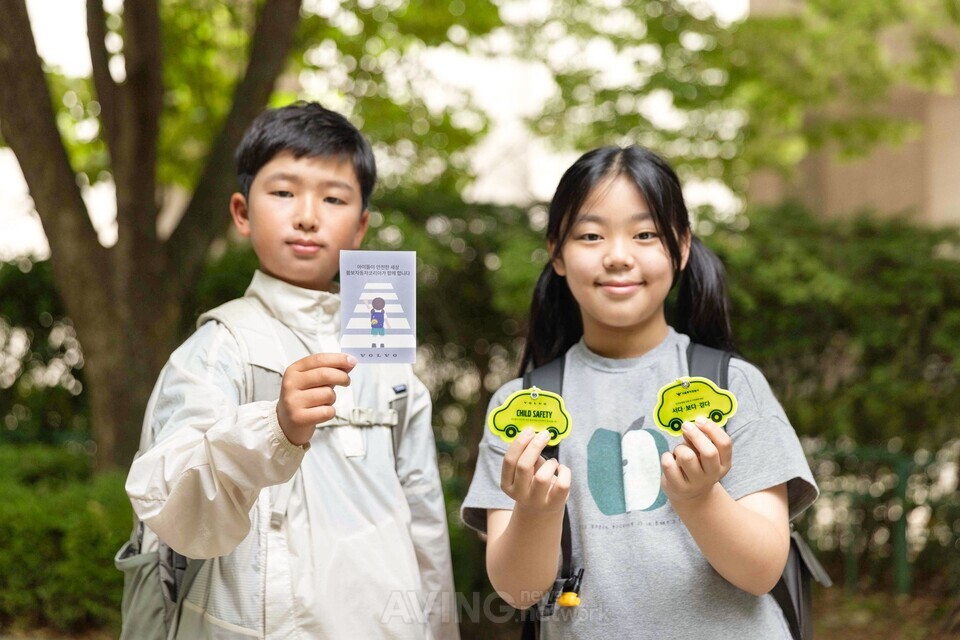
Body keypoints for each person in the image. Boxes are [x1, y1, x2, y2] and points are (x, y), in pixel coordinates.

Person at [125, 102, 459, 639]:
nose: (307, 215)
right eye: (283, 193)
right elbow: (170, 506)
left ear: (361, 227)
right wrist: (273, 427)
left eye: (333, 198)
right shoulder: (220, 347)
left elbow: (424, 521)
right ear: (241, 213)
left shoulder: (390, 362)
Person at [461, 145, 818, 639]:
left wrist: (698, 498)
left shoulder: (732, 384)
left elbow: (762, 570)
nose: (618, 256)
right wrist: (538, 510)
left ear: (682, 247)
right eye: (590, 235)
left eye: (645, 234)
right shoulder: (521, 406)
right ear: (557, 255)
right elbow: (519, 594)